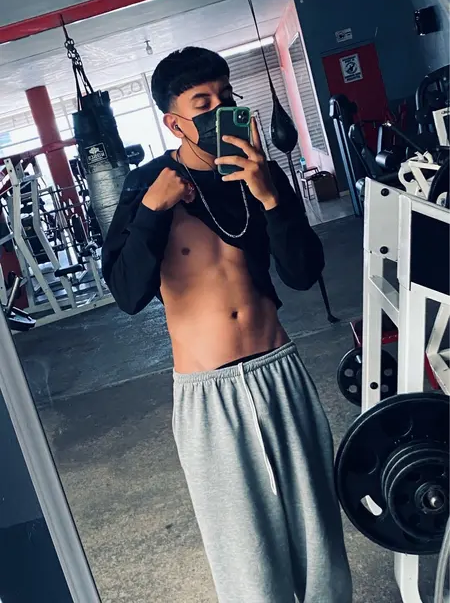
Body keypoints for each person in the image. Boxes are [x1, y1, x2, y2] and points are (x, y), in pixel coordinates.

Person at [102, 47, 352, 603]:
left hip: (278, 371)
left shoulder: (259, 172)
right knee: (246, 557)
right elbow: (126, 294)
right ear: (175, 122)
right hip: (207, 392)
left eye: (227, 96)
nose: (222, 110)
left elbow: (304, 272)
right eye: (203, 104)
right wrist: (153, 212)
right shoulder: (146, 188)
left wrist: (270, 198)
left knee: (318, 541)